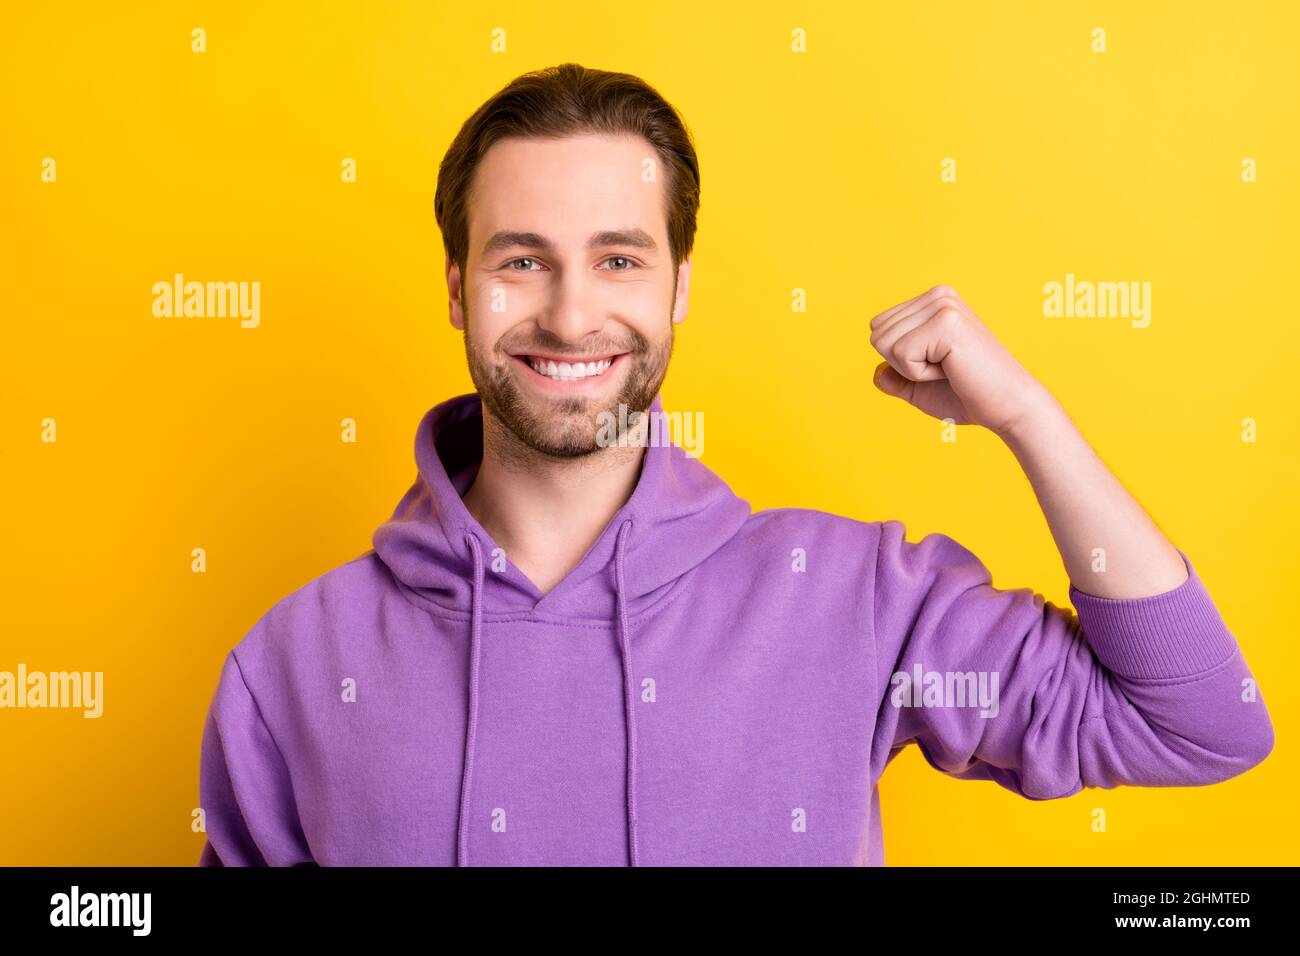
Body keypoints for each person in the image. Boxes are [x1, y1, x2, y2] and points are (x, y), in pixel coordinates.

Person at [197, 62, 1273, 866]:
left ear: (678, 289)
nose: (571, 315)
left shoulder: (854, 603)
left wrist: (1029, 416)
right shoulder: (293, 663)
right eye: (520, 261)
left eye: (618, 258)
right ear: (454, 287)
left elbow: (1196, 719)